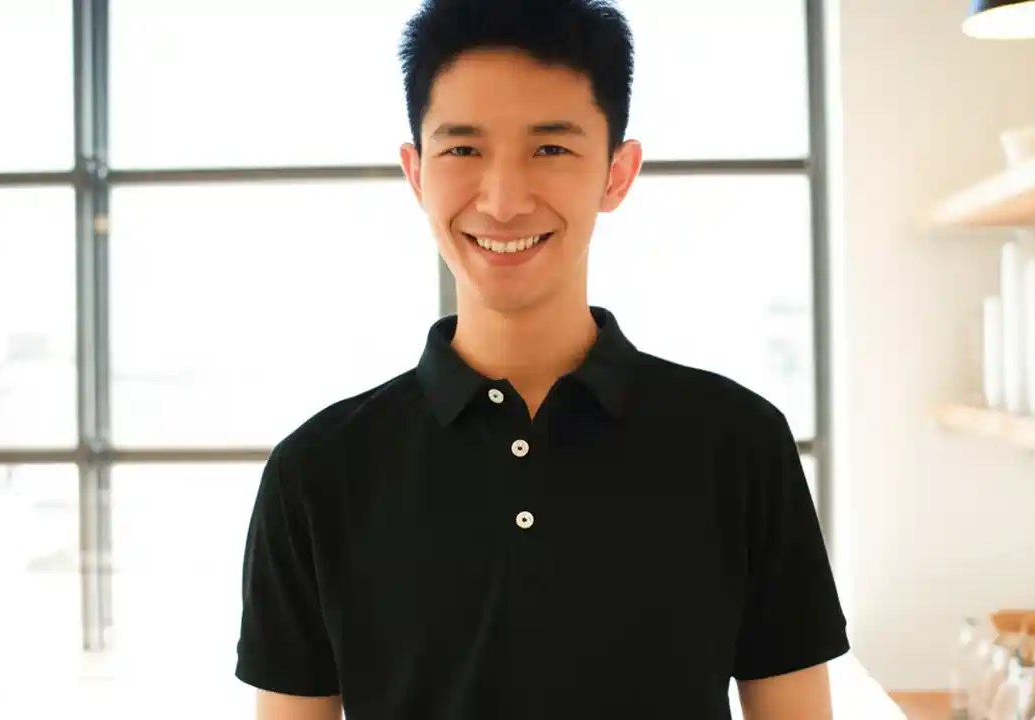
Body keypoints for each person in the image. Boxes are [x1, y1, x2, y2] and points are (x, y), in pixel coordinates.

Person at [235, 0, 848, 717]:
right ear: (416, 172)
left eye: (550, 149)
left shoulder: (739, 444)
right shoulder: (316, 472)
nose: (501, 201)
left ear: (618, 173)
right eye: (463, 150)